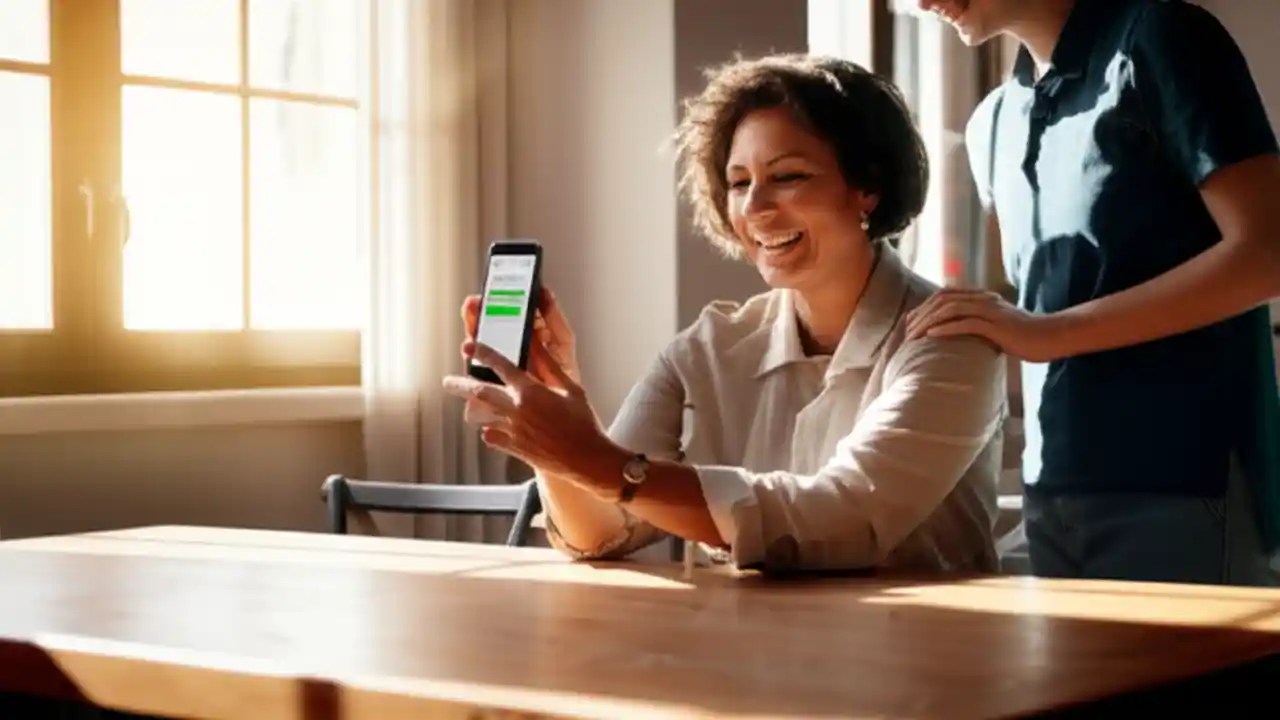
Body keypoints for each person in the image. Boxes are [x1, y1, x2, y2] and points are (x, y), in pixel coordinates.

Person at [443, 54, 1006, 572]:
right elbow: (603, 533)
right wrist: (558, 417)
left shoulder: (954, 336)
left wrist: (602, 465)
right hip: (743, 658)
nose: (755, 207)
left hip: (924, 664)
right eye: (738, 183)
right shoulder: (709, 346)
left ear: (868, 187)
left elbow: (845, 518)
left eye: (787, 176)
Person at [909, 0, 1280, 584]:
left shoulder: (1160, 39)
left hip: (1183, 483)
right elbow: (1034, 309)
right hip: (1051, 490)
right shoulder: (992, 125)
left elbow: (1267, 253)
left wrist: (1046, 334)